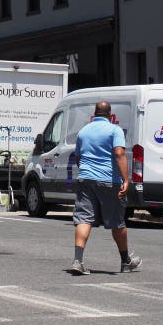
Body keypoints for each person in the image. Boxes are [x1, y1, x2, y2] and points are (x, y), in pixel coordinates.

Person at [70, 100, 141, 275]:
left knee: (84, 219)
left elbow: (78, 157)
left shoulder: (83, 131)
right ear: (110, 114)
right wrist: (126, 179)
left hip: (85, 179)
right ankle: (125, 261)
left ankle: (78, 260)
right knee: (117, 221)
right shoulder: (115, 130)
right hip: (109, 180)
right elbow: (119, 153)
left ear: (94, 114)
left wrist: (88, 171)